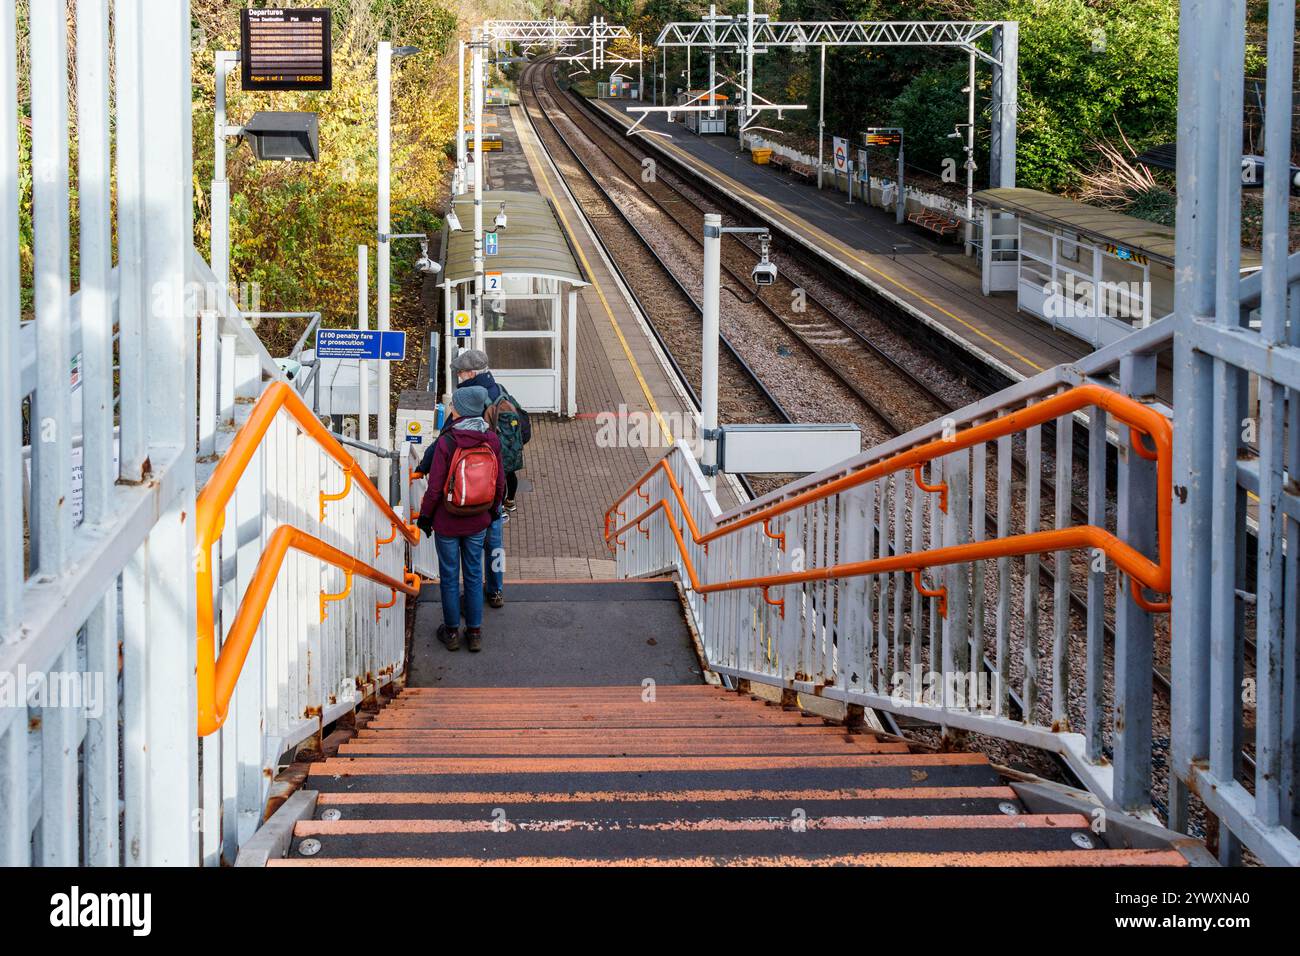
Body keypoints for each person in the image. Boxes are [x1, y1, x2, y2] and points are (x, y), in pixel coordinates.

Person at [416, 385, 505, 653]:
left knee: (450, 575)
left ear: (460, 410)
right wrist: (493, 511)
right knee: (475, 574)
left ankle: (452, 632)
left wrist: (425, 517)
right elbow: (499, 483)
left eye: (454, 405)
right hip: (478, 519)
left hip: (447, 520)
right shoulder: (491, 439)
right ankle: (475, 632)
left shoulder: (447, 441)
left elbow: (435, 488)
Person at [446, 349, 530, 609]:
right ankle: (496, 590)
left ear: (470, 374)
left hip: (473, 485)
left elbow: (447, 440)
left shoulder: (466, 400)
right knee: (495, 543)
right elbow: (523, 432)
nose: (458, 375)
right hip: (496, 485)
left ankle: (471, 599)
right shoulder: (500, 390)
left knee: (472, 547)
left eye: (460, 371)